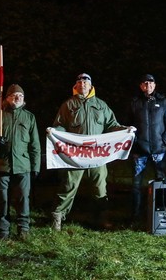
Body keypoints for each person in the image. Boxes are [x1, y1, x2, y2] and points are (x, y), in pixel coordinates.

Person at [48, 72, 130, 230]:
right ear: (76, 86)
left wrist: (125, 130)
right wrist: (54, 131)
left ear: (91, 85)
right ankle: (57, 216)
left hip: (97, 155)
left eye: (85, 81)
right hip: (75, 155)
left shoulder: (101, 105)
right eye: (79, 81)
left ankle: (101, 218)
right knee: (68, 185)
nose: (82, 84)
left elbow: (111, 124)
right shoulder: (68, 105)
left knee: (100, 187)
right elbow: (60, 124)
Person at [0, 84, 41, 240]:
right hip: (1, 164)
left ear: (23, 99)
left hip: (23, 165)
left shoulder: (29, 117)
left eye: (20, 96)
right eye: (13, 95)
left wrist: (35, 166)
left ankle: (23, 229)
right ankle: (3, 230)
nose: (17, 98)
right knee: (3, 199)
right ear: (7, 98)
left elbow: (35, 145)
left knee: (23, 198)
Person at [128, 73, 166, 220]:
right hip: (139, 151)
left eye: (151, 83)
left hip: (158, 151)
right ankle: (135, 215)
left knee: (161, 182)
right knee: (136, 184)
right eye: (145, 83)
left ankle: (161, 214)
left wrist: (165, 140)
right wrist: (135, 140)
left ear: (154, 85)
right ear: (141, 86)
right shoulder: (135, 103)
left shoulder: (163, 102)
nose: (148, 85)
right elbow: (129, 125)